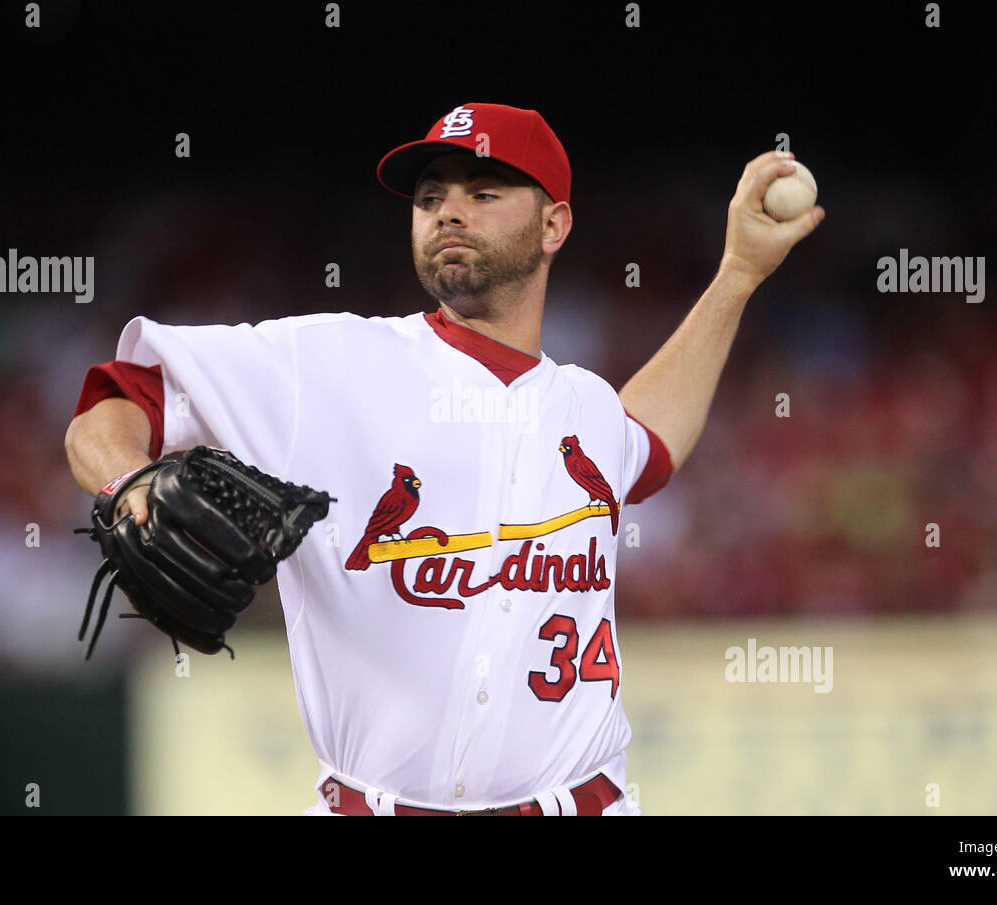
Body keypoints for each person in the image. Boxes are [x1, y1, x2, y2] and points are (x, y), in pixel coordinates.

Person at [64, 102, 822, 815]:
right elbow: (115, 399)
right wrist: (128, 479)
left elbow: (648, 445)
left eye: (485, 191)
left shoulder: (586, 408)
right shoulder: (328, 362)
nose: (448, 211)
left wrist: (739, 273)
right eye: (431, 198)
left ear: (555, 224)